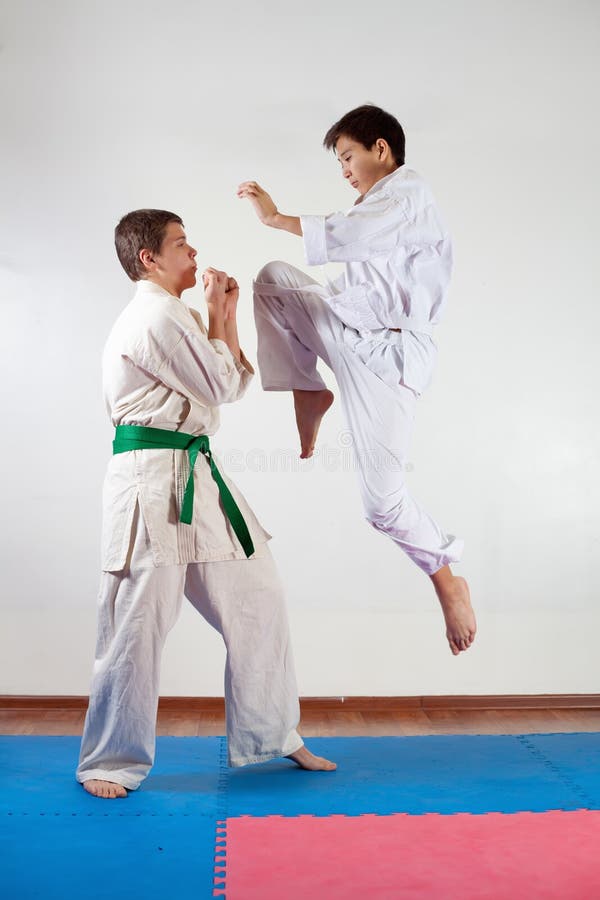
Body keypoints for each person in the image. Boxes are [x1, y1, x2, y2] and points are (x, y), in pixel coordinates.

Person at [76, 209, 336, 800]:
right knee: (137, 622)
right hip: (148, 481)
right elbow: (221, 386)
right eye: (182, 246)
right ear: (150, 259)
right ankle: (110, 760)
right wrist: (220, 316)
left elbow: (229, 382)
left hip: (193, 472)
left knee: (259, 596)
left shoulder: (178, 314)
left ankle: (272, 732)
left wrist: (222, 315)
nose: (194, 255)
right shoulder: (155, 314)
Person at [238, 104, 476, 657]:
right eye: (339, 161)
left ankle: (446, 578)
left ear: (381, 150)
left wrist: (275, 218)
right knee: (272, 280)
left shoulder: (407, 192)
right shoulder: (373, 205)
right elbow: (351, 239)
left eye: (348, 156)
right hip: (348, 330)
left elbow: (354, 235)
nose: (344, 169)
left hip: (389, 359)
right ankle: (309, 390)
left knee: (382, 505)